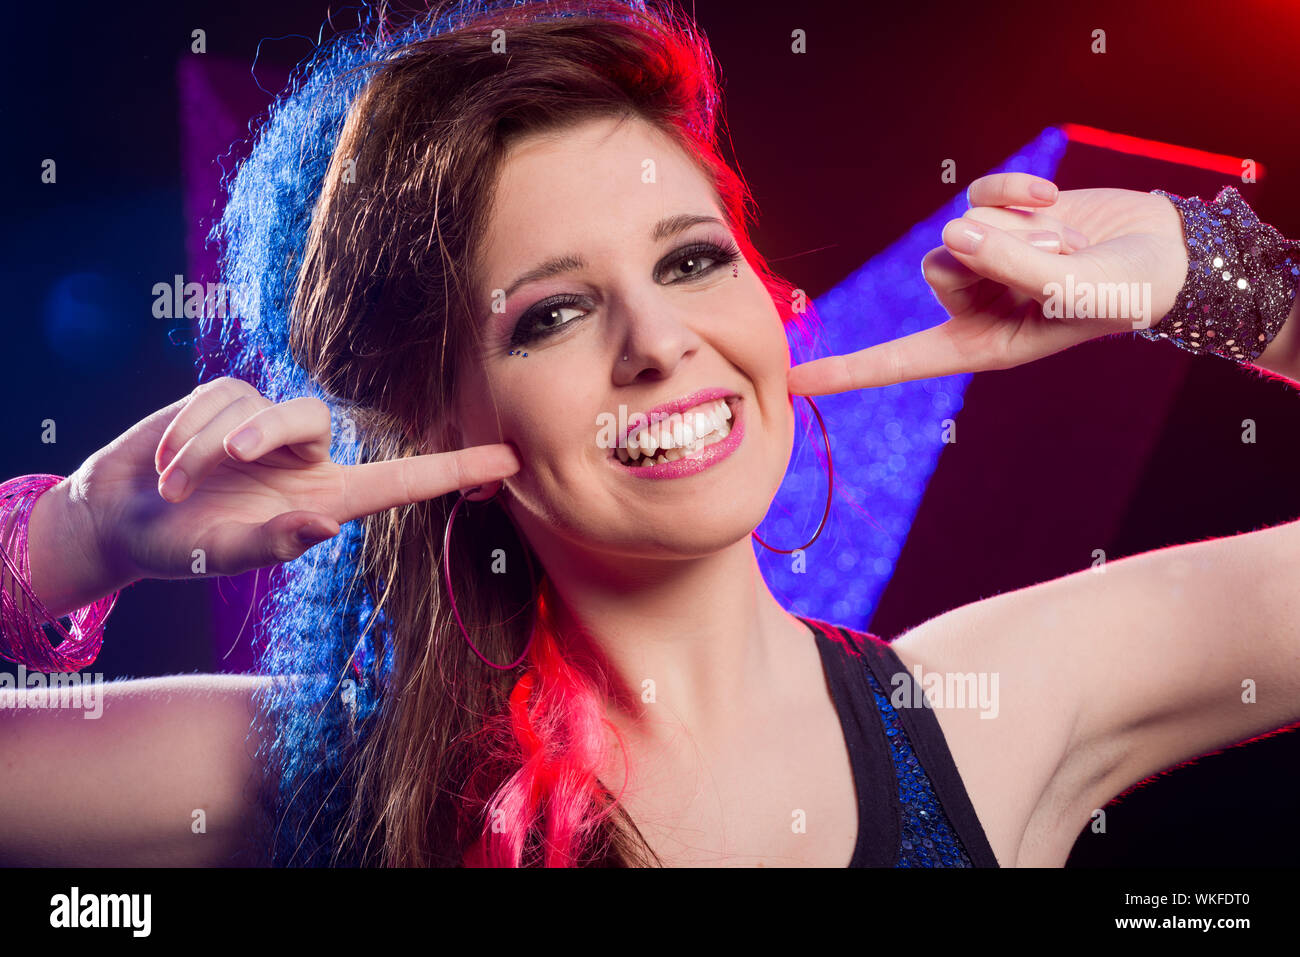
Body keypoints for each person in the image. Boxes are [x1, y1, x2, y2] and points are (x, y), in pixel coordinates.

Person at [2, 0, 1298, 868]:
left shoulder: (997, 707)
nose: (660, 339)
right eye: (554, 311)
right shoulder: (322, 767)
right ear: (437, 417)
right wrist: (75, 541)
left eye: (691, 261)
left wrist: (1219, 275)